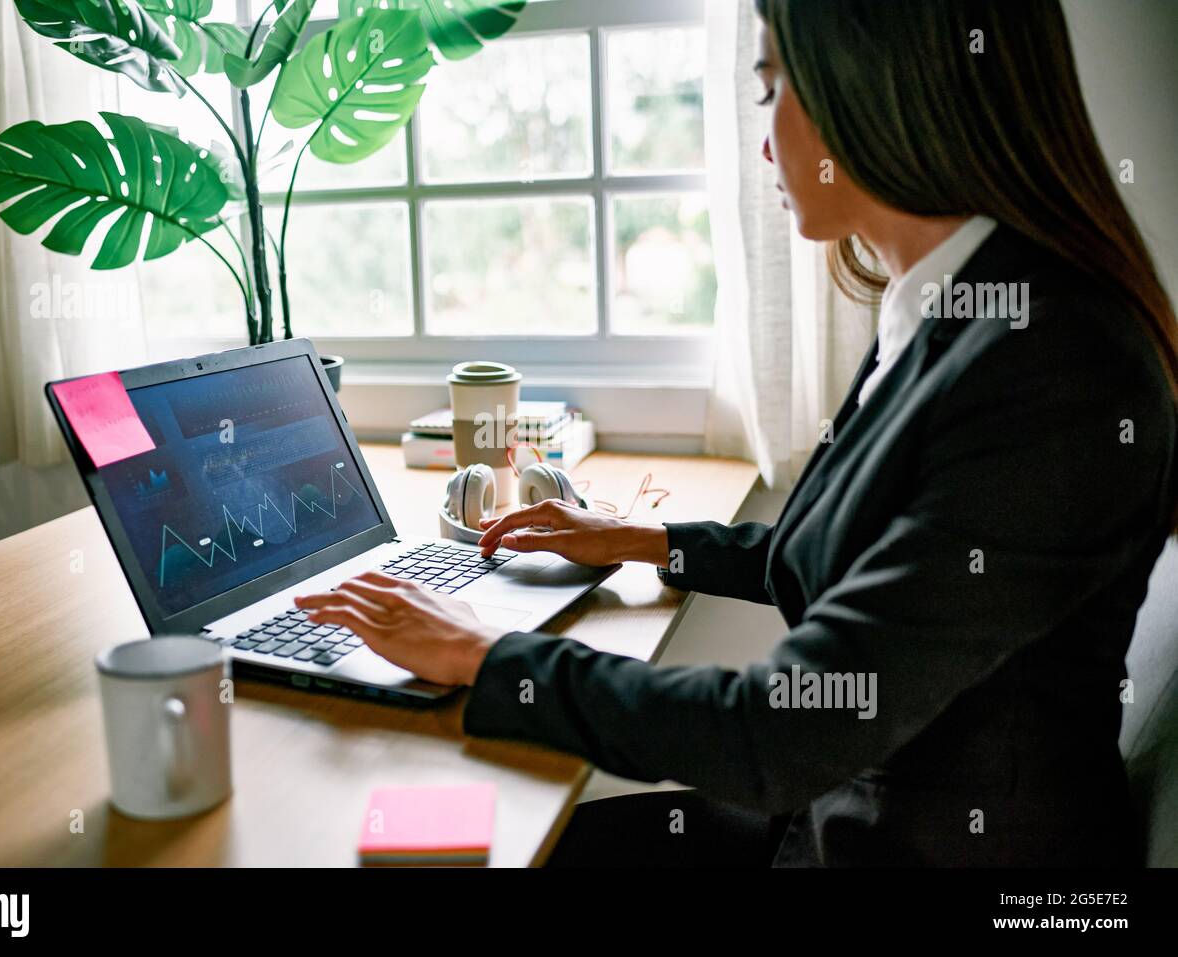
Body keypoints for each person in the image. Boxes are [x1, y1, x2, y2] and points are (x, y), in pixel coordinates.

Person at [295, 0, 1178, 866]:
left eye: (771, 89)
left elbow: (780, 729)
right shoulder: (944, 304)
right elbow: (869, 555)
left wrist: (487, 654)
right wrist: (645, 539)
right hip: (837, 817)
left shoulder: (1054, 362)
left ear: (868, 87)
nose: (764, 142)